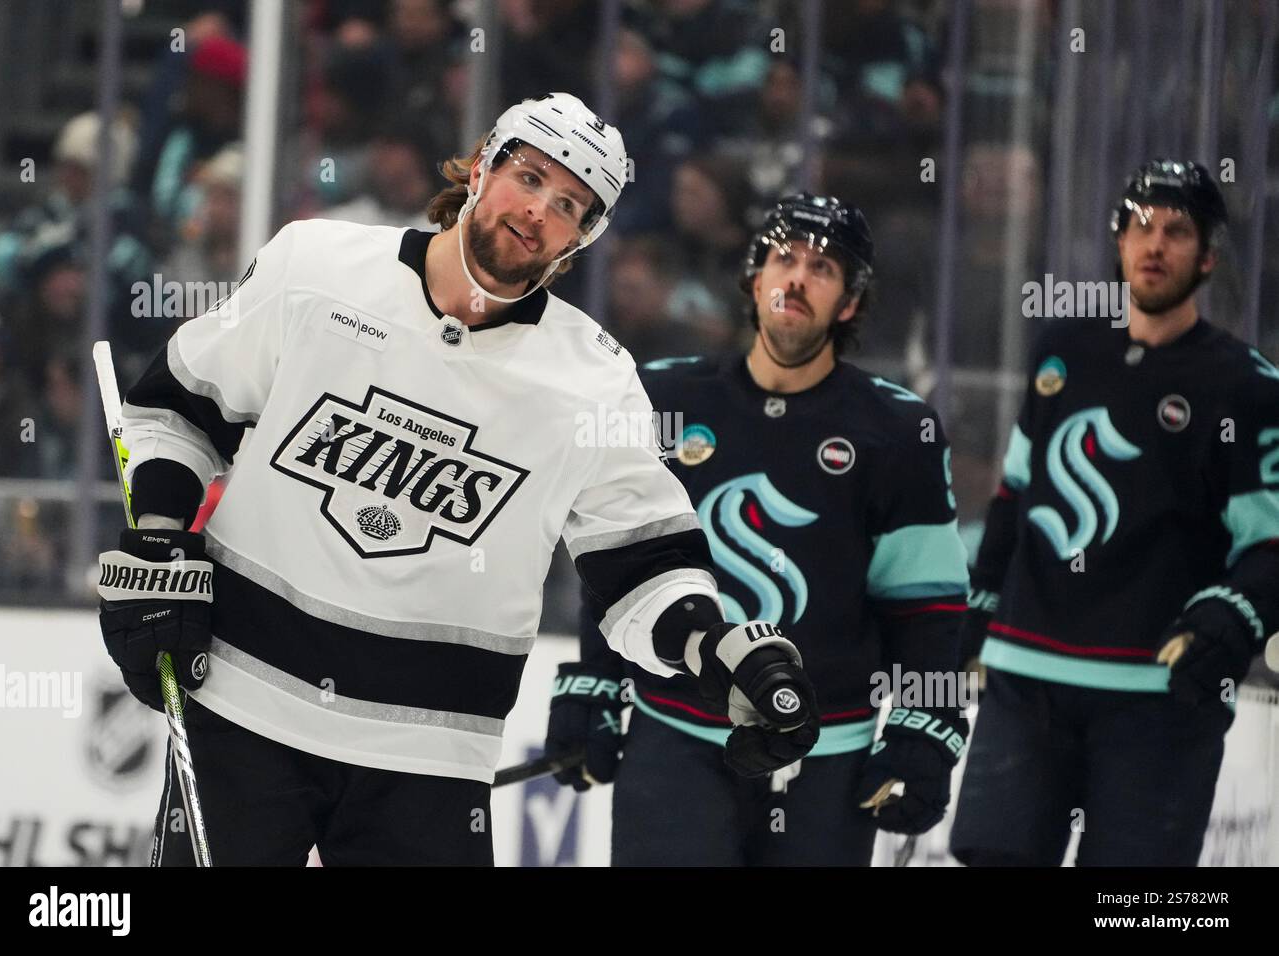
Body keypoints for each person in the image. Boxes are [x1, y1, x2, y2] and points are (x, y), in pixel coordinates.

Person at [94, 92, 818, 866]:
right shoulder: (317, 267)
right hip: (242, 712)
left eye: (570, 204)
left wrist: (715, 647)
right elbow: (176, 410)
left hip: (430, 757)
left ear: (583, 238)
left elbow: (643, 568)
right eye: (529, 177)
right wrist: (160, 539)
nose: (540, 210)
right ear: (480, 167)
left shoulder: (594, 383)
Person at [544, 193, 969, 865]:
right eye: (784, 258)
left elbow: (929, 607)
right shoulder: (663, 399)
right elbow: (624, 560)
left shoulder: (896, 431)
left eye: (824, 269)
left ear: (850, 302)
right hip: (675, 734)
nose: (798, 277)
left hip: (826, 753)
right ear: (754, 278)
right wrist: (594, 681)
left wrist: (926, 726)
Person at [950, 159, 1279, 866]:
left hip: (1156, 694)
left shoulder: (1247, 387)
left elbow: (1272, 545)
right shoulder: (1062, 352)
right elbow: (1013, 498)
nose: (1153, 244)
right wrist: (977, 613)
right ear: (1118, 242)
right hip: (1025, 675)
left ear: (1209, 256)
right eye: (1138, 226)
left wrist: (1227, 615)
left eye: (1176, 230)